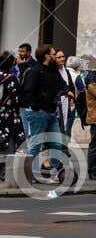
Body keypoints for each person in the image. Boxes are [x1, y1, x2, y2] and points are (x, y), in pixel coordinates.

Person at [18, 45, 65, 183]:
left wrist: (67, 90)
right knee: (36, 144)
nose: (56, 57)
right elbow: (28, 91)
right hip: (38, 113)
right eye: (53, 54)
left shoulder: (54, 71)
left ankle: (53, 172)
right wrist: (37, 107)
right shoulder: (35, 71)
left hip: (51, 112)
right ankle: (29, 174)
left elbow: (62, 84)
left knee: (56, 143)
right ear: (46, 56)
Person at [0, 52, 23, 180]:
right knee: (9, 141)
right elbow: (16, 98)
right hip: (8, 115)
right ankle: (5, 168)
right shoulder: (11, 78)